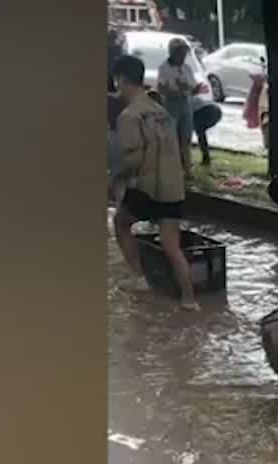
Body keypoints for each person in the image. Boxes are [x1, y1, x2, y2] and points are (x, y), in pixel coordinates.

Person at [112, 55, 198, 309]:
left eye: (117, 81)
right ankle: (190, 301)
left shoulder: (129, 116)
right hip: (173, 188)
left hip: (148, 190)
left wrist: (115, 177)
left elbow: (134, 158)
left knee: (120, 223)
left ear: (122, 80)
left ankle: (141, 278)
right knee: (172, 247)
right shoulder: (160, 111)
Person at [157, 38, 202, 173]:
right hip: (171, 104)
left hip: (185, 103)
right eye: (180, 54)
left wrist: (192, 89)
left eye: (185, 54)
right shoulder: (164, 68)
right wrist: (174, 92)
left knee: (186, 136)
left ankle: (187, 167)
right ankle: (172, 167)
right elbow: (161, 88)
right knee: (172, 137)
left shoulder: (187, 68)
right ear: (172, 53)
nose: (183, 57)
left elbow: (193, 89)